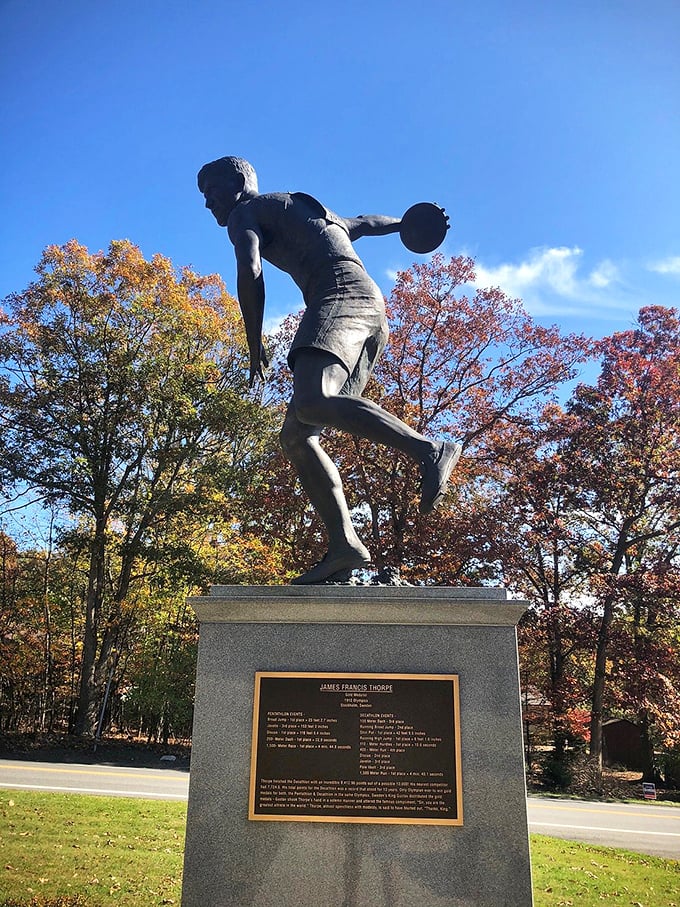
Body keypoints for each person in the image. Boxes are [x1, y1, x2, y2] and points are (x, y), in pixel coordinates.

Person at [198, 156, 461, 584]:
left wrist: (253, 346)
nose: (207, 203)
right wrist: (403, 225)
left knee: (313, 399)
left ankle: (428, 449)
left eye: (210, 191)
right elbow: (363, 223)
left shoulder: (245, 213)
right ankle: (344, 545)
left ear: (239, 183)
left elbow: (250, 271)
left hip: (339, 299)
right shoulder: (307, 208)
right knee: (298, 433)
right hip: (373, 315)